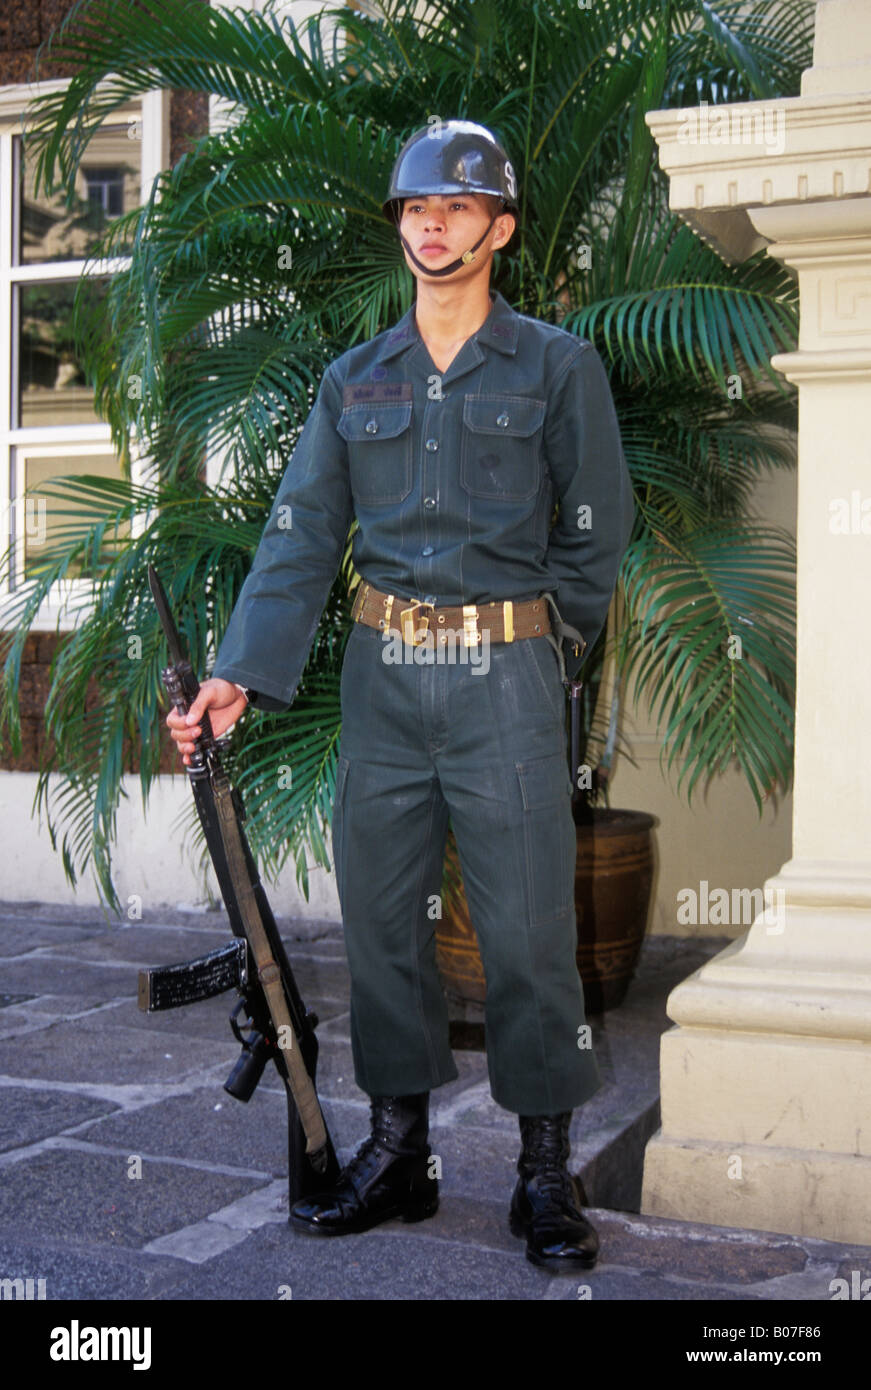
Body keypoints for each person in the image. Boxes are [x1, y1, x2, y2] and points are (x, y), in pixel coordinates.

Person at [166, 120, 635, 1270]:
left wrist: (545, 655)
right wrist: (238, 671)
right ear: (402, 226)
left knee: (529, 937)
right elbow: (300, 534)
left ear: (499, 228)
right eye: (417, 207)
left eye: (459, 207)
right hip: (384, 683)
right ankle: (399, 1155)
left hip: (505, 682)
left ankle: (540, 1174)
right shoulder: (354, 379)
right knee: (382, 927)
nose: (434, 223)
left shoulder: (557, 367)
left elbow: (593, 536)